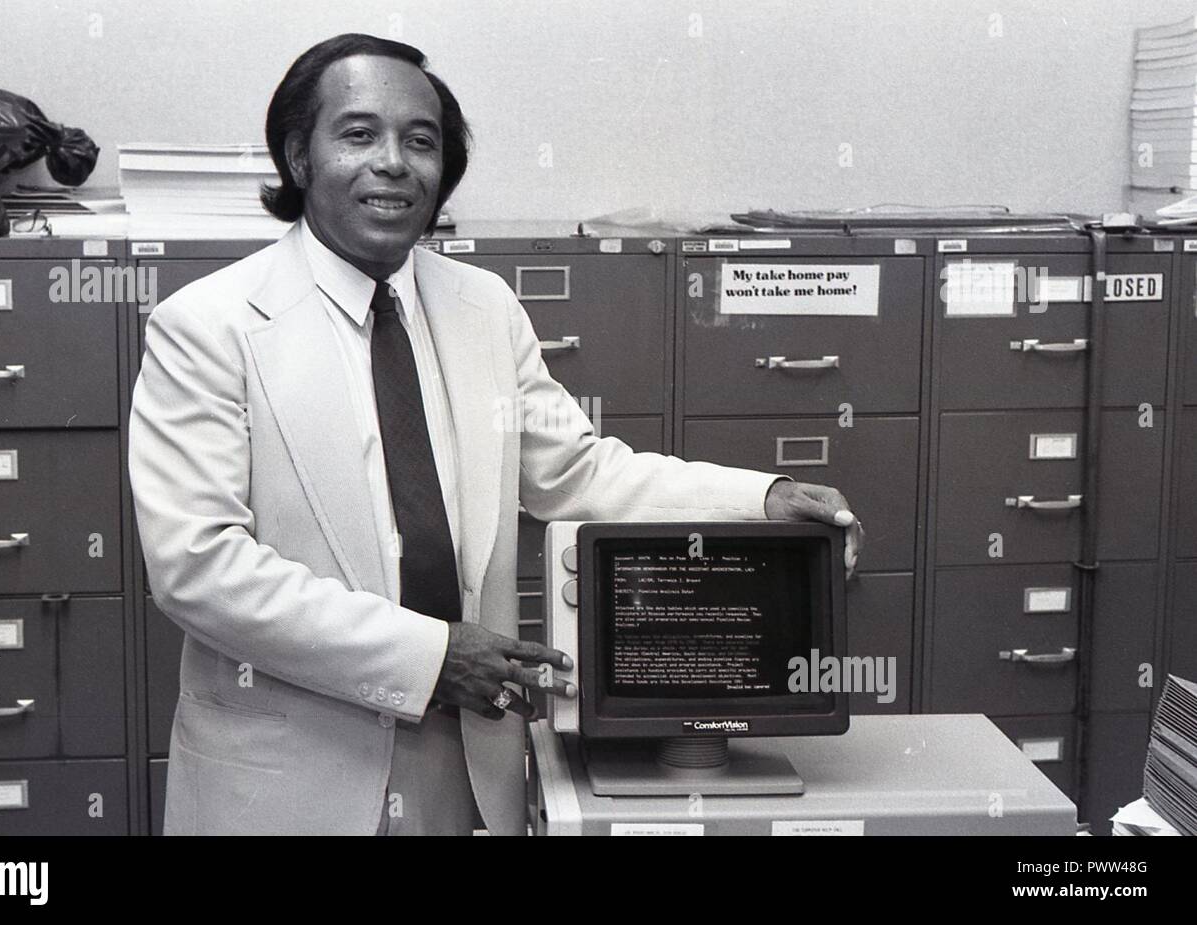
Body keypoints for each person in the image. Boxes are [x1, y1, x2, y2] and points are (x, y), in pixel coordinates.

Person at [128, 33, 864, 836]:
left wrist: (763, 498)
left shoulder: (485, 309)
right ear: (300, 158)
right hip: (290, 785)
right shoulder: (207, 326)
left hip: (467, 769)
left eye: (421, 140)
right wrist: (432, 656)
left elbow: (579, 473)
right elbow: (199, 567)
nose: (394, 162)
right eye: (358, 134)